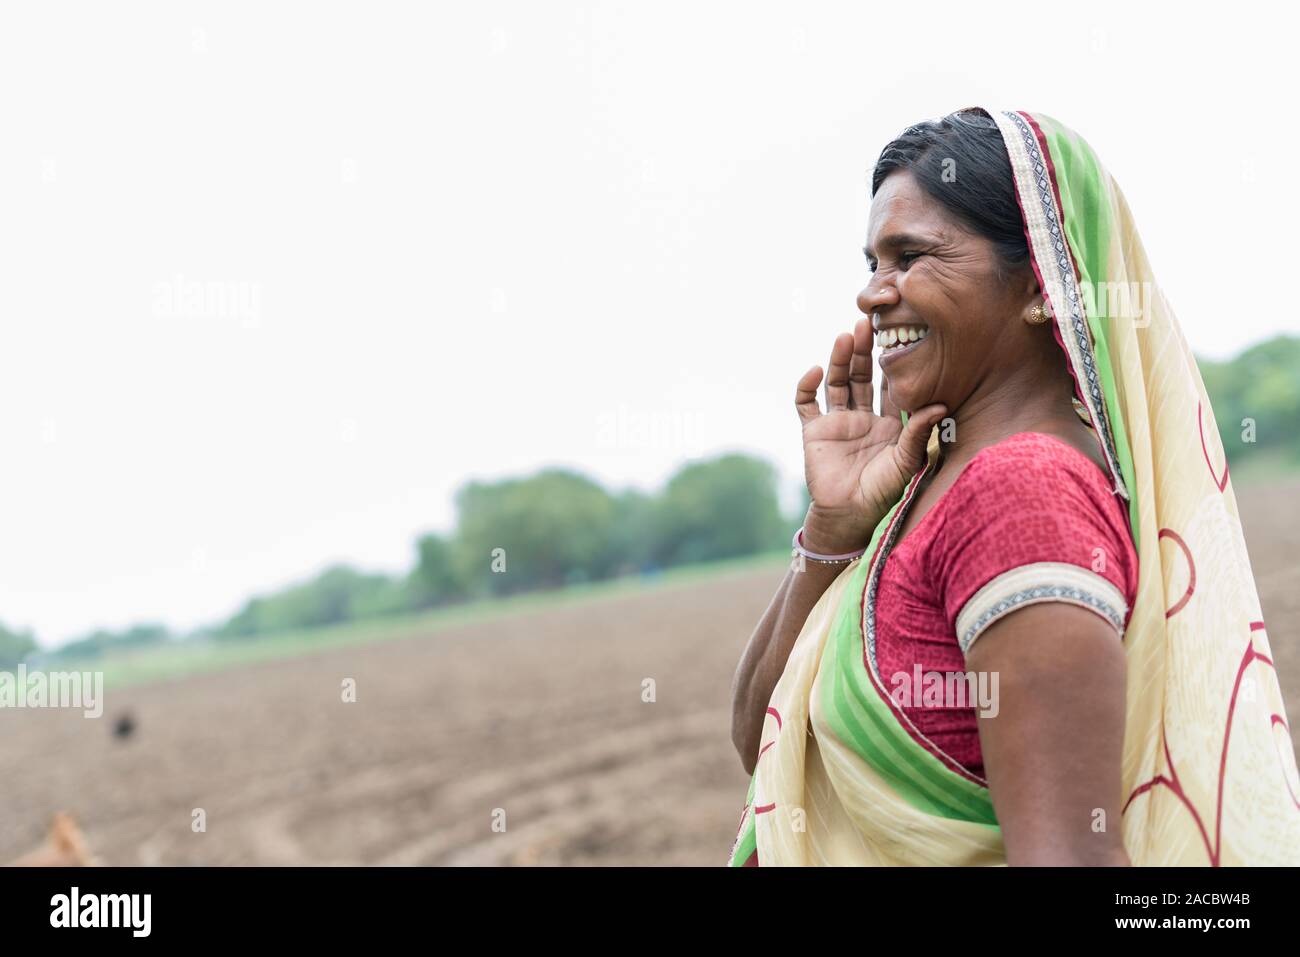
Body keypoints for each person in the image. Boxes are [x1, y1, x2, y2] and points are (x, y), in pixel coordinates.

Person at [728, 107, 1300, 866]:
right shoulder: (928, 484)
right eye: (871, 262)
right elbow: (758, 736)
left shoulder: (1019, 493)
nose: (873, 294)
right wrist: (833, 532)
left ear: (1040, 284)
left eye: (911, 256)